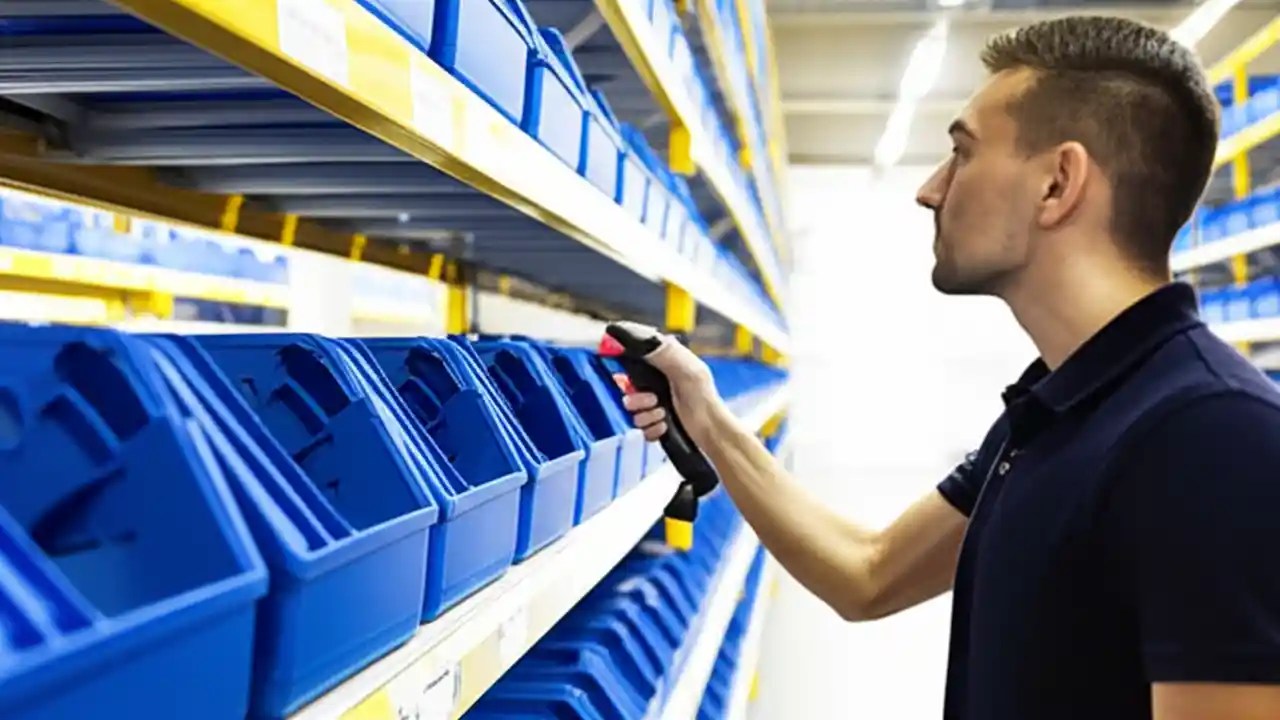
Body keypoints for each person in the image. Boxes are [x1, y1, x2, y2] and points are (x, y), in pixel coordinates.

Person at [618, 15, 1280, 720]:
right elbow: (867, 572)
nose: (930, 188)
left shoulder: (1210, 438)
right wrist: (706, 417)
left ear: (1058, 183)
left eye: (963, 154)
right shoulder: (1053, 412)